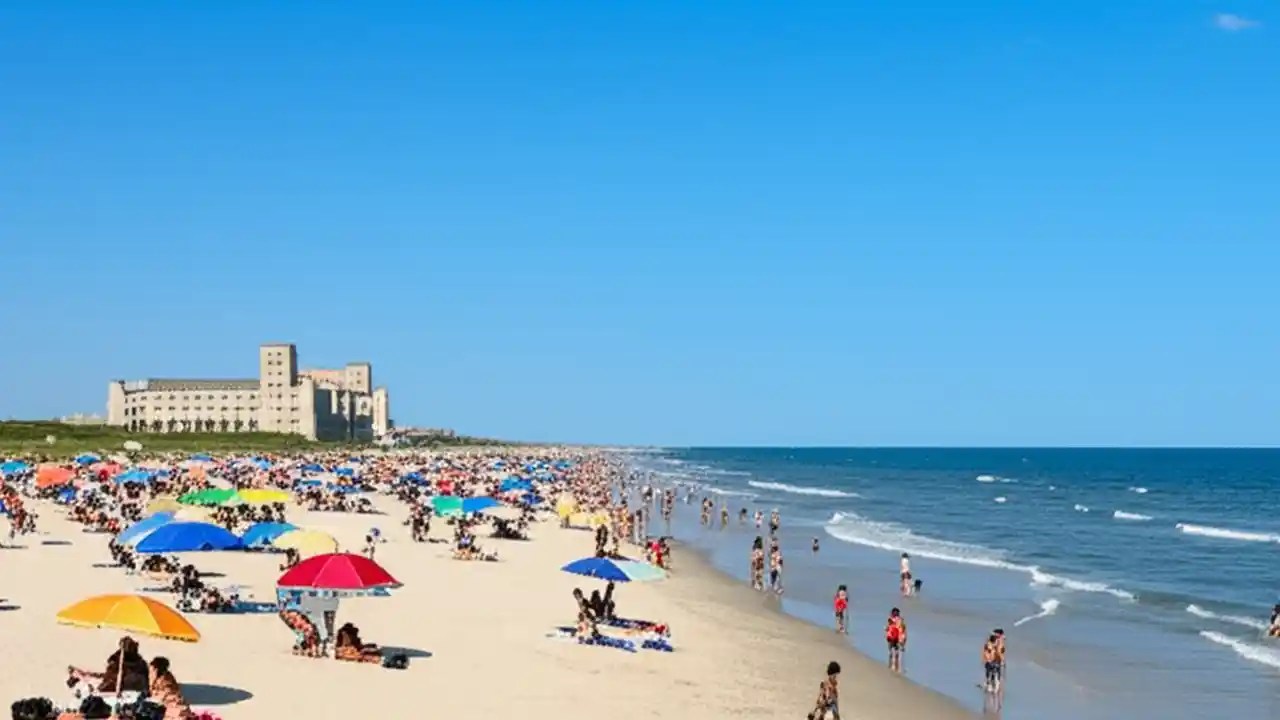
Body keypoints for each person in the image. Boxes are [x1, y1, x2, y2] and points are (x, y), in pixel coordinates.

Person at [885, 608, 907, 672]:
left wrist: (886, 629)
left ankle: (891, 659)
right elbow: (903, 629)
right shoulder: (900, 620)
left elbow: (888, 627)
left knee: (891, 648)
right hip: (896, 636)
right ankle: (895, 662)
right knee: (896, 649)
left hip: (892, 636)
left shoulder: (890, 619)